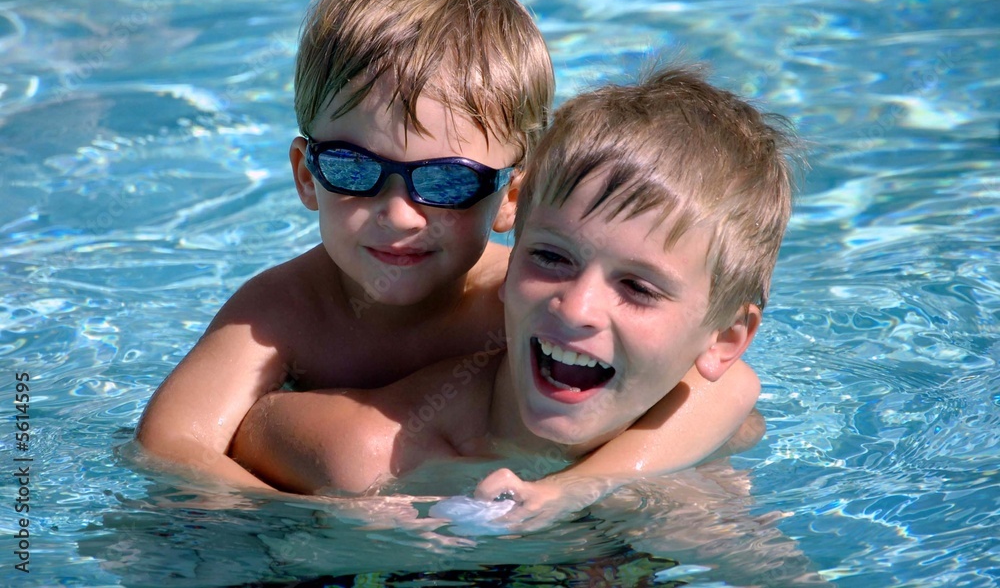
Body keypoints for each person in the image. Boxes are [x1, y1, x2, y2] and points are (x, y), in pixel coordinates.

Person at [135, 0, 758, 492]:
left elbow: (727, 391)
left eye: (447, 181)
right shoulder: (282, 313)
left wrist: (579, 490)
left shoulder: (529, 297)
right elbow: (169, 446)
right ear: (306, 174)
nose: (398, 213)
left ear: (511, 195)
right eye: (353, 169)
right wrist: (310, 520)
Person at [229, 65, 799, 520]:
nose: (575, 308)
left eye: (638, 287)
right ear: (507, 266)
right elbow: (238, 440)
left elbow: (733, 396)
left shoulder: (708, 458)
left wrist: (587, 488)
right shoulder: (377, 458)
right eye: (551, 258)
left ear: (725, 340)